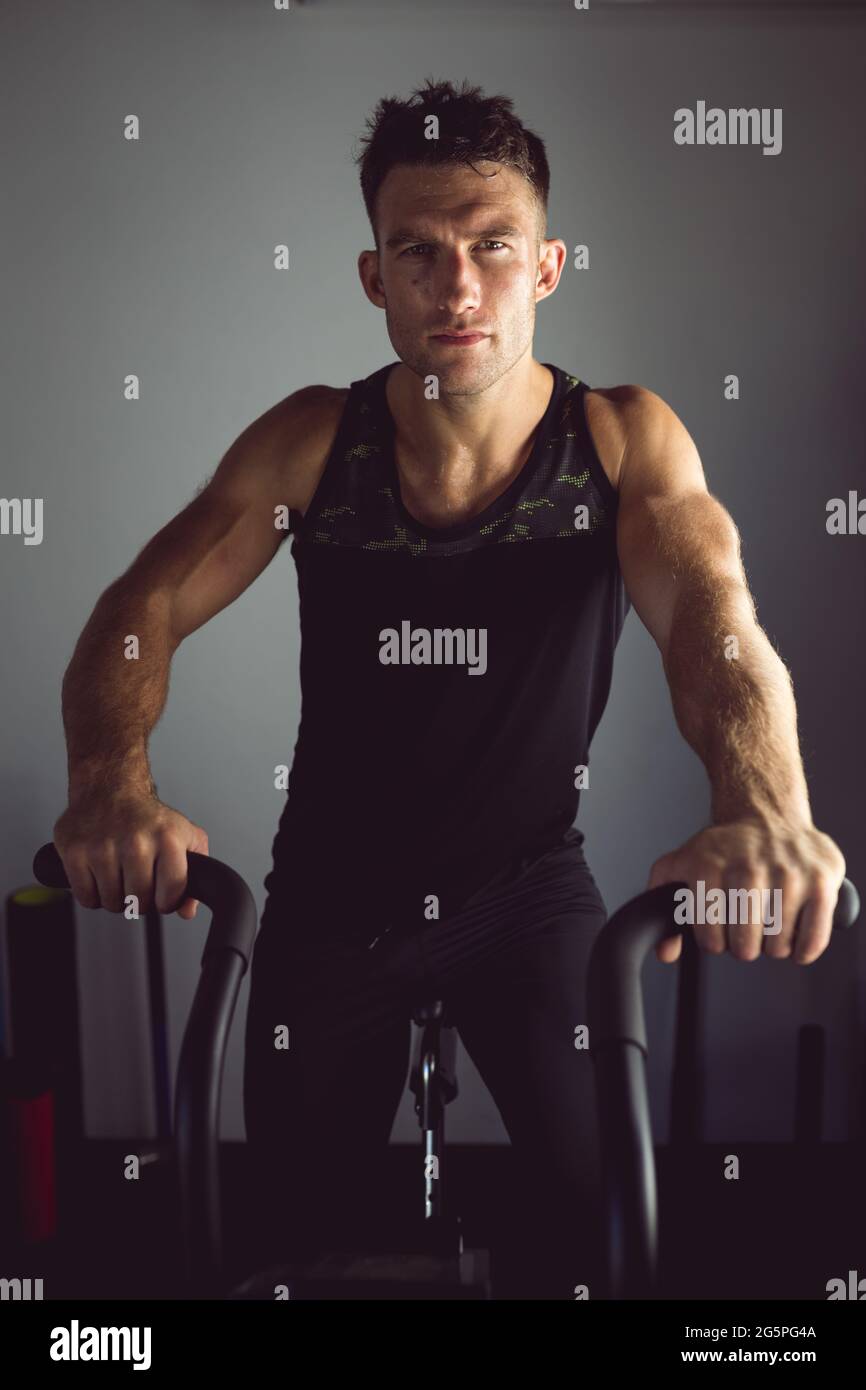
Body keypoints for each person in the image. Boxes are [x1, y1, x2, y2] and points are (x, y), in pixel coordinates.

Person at [53, 79, 846, 1299]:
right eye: (417, 253)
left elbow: (712, 628)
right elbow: (136, 612)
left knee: (615, 1232)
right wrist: (112, 785)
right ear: (374, 278)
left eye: (490, 247)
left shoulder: (621, 441)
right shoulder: (315, 443)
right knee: (285, 1247)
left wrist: (766, 803)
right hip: (332, 893)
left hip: (528, 889)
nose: (456, 285)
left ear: (546, 267)